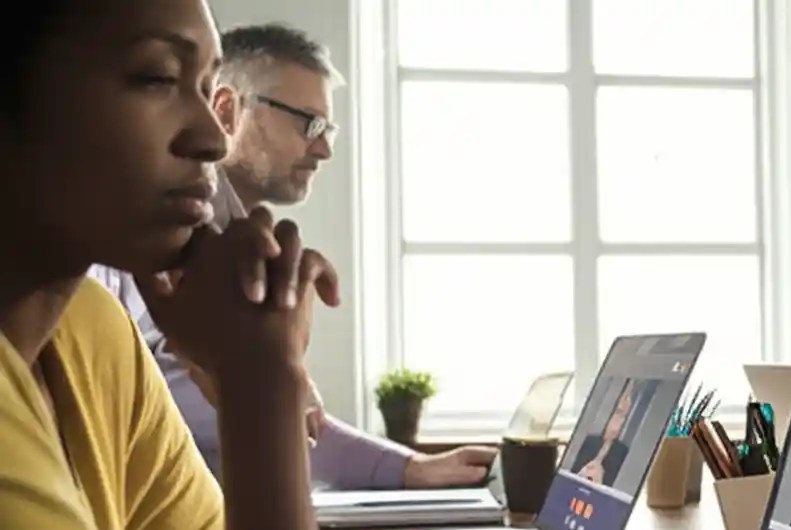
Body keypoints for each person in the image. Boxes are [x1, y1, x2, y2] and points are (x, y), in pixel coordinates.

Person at [0, 0, 340, 530]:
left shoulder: (92, 327)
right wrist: (263, 381)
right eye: (156, 78)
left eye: (206, 87)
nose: (212, 140)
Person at [88, 23, 494, 491]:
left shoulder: (230, 242)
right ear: (227, 111)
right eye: (309, 124)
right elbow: (179, 397)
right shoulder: (144, 243)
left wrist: (407, 467)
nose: (324, 149)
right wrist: (275, 386)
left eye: (328, 130)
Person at [572, 382, 634, 487]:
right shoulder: (585, 442)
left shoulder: (624, 455)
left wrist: (599, 484)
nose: (620, 423)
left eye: (625, 417)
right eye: (618, 413)